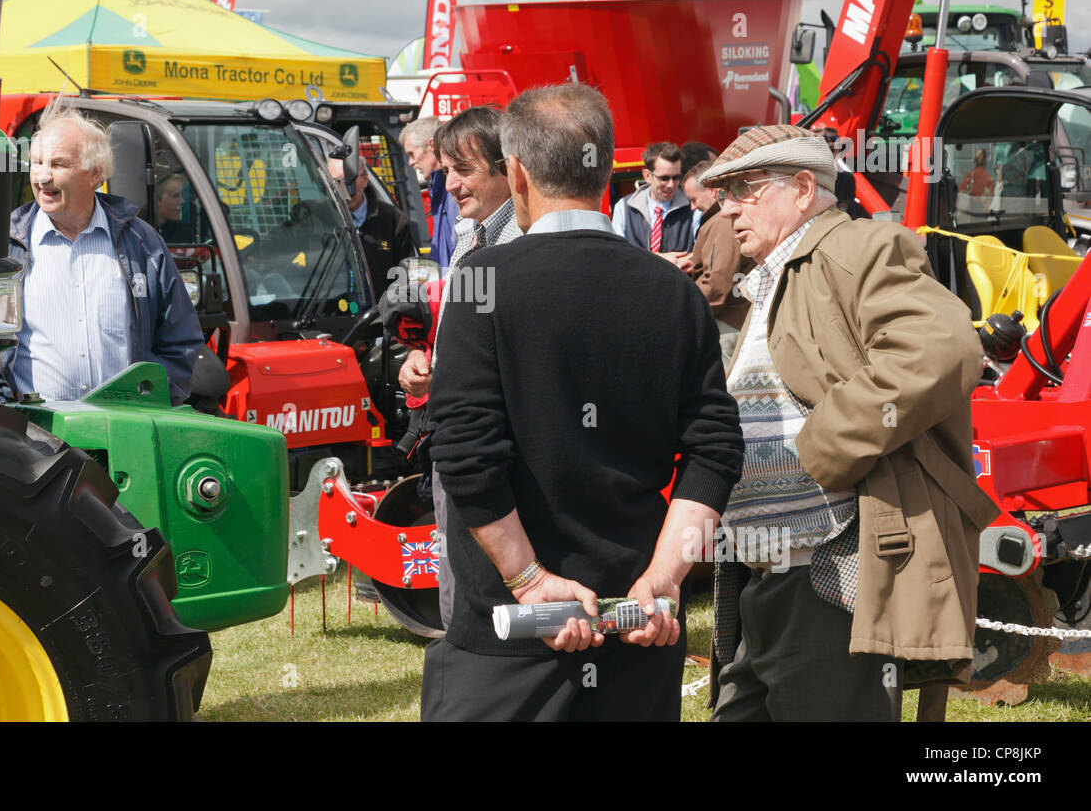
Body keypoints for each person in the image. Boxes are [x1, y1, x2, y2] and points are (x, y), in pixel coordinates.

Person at [423, 83, 743, 721]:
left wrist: (531, 581)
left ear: (516, 173)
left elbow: (463, 452)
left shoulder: (482, 284)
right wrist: (663, 579)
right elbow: (715, 449)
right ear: (605, 173)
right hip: (633, 617)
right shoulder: (671, 290)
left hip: (508, 634)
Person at [698, 124, 1000, 722]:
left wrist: (823, 448)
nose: (726, 207)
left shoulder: (855, 248)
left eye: (744, 188)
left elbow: (942, 348)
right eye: (723, 192)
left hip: (826, 568)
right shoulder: (775, 277)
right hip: (772, 568)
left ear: (804, 188)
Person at [397, 104, 522, 631]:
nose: (449, 185)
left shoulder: (524, 241)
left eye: (462, 170)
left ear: (507, 168)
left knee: (494, 590)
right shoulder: (471, 236)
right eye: (445, 170)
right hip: (458, 434)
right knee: (458, 581)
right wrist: (424, 359)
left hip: (499, 444)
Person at [0, 102, 204, 406]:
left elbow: (180, 341)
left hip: (123, 431)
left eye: (57, 164)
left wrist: (149, 406)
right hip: (35, 438)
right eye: (37, 162)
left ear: (95, 174)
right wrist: (4, 416)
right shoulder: (8, 245)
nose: (42, 177)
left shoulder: (141, 242)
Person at [683, 160, 752, 371]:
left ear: (713, 191)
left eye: (694, 199)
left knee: (729, 394)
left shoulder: (721, 223)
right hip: (730, 321)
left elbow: (718, 281)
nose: (693, 207)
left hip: (727, 324)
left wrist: (685, 308)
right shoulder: (718, 221)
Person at [328, 154, 417, 301]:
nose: (342, 188)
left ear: (364, 178)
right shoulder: (317, 219)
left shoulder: (393, 219)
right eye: (336, 181)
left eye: (347, 180)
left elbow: (407, 278)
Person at [611, 141, 695, 264]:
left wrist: (687, 261)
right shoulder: (623, 208)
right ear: (647, 176)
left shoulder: (693, 206)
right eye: (664, 178)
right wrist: (659, 259)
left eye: (676, 177)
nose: (671, 185)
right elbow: (617, 253)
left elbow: (703, 252)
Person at [402, 116, 460, 273]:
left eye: (412, 154)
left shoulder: (455, 193)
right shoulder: (440, 190)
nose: (410, 162)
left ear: (431, 145)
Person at [154, 172, 194, 244]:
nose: (182, 201)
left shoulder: (184, 231)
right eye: (175, 196)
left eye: (181, 195)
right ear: (157, 199)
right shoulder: (141, 232)